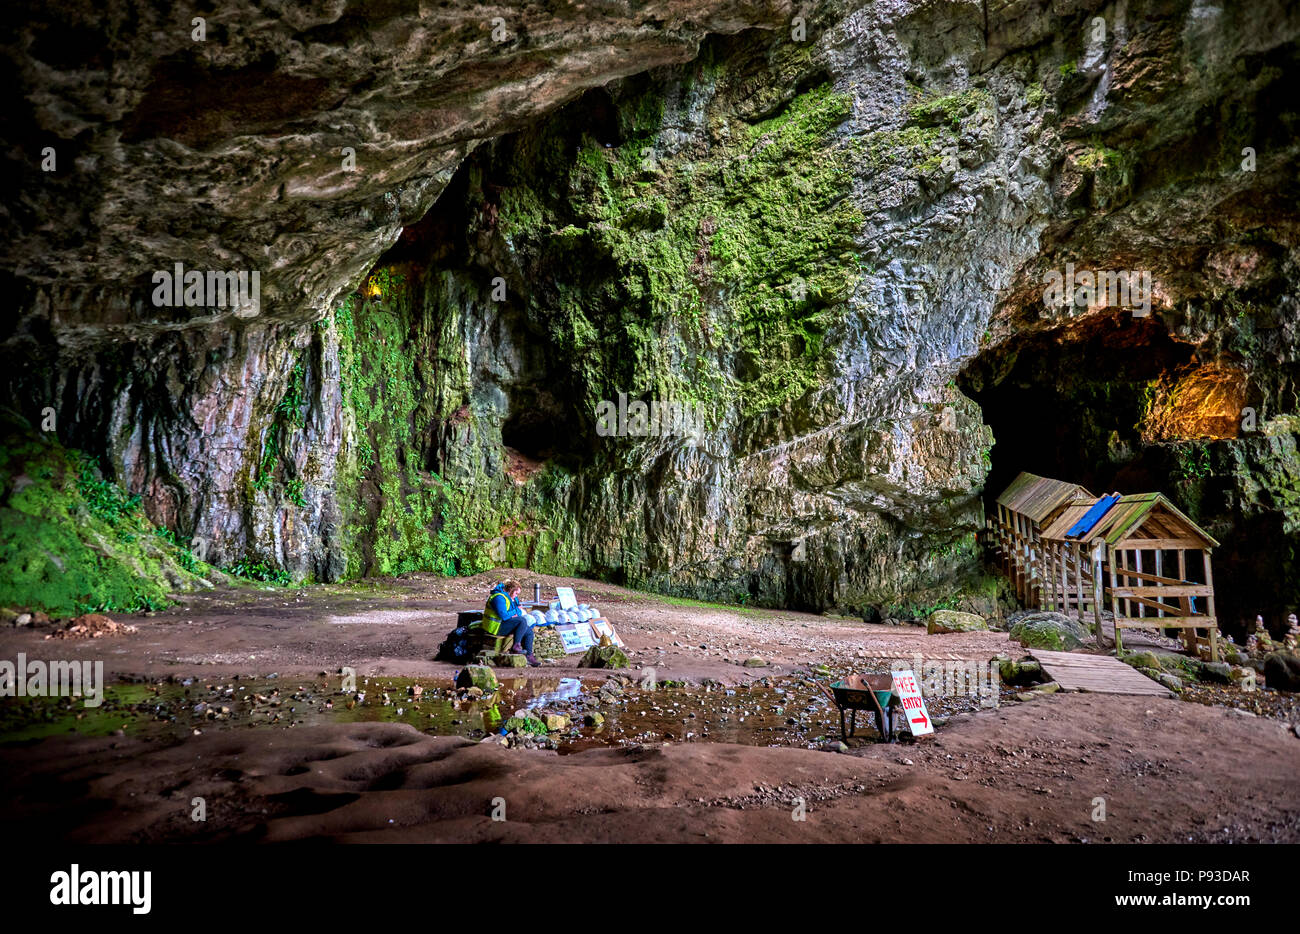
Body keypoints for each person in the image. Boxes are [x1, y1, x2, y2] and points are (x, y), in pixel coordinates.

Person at [474, 579, 539, 666]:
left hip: (503, 623)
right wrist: (515, 611)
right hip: (495, 627)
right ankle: (516, 646)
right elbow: (504, 615)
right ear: (511, 590)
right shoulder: (498, 598)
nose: (517, 596)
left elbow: (518, 612)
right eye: (516, 593)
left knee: (529, 632)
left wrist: (515, 612)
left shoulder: (511, 598)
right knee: (522, 621)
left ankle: (529, 656)